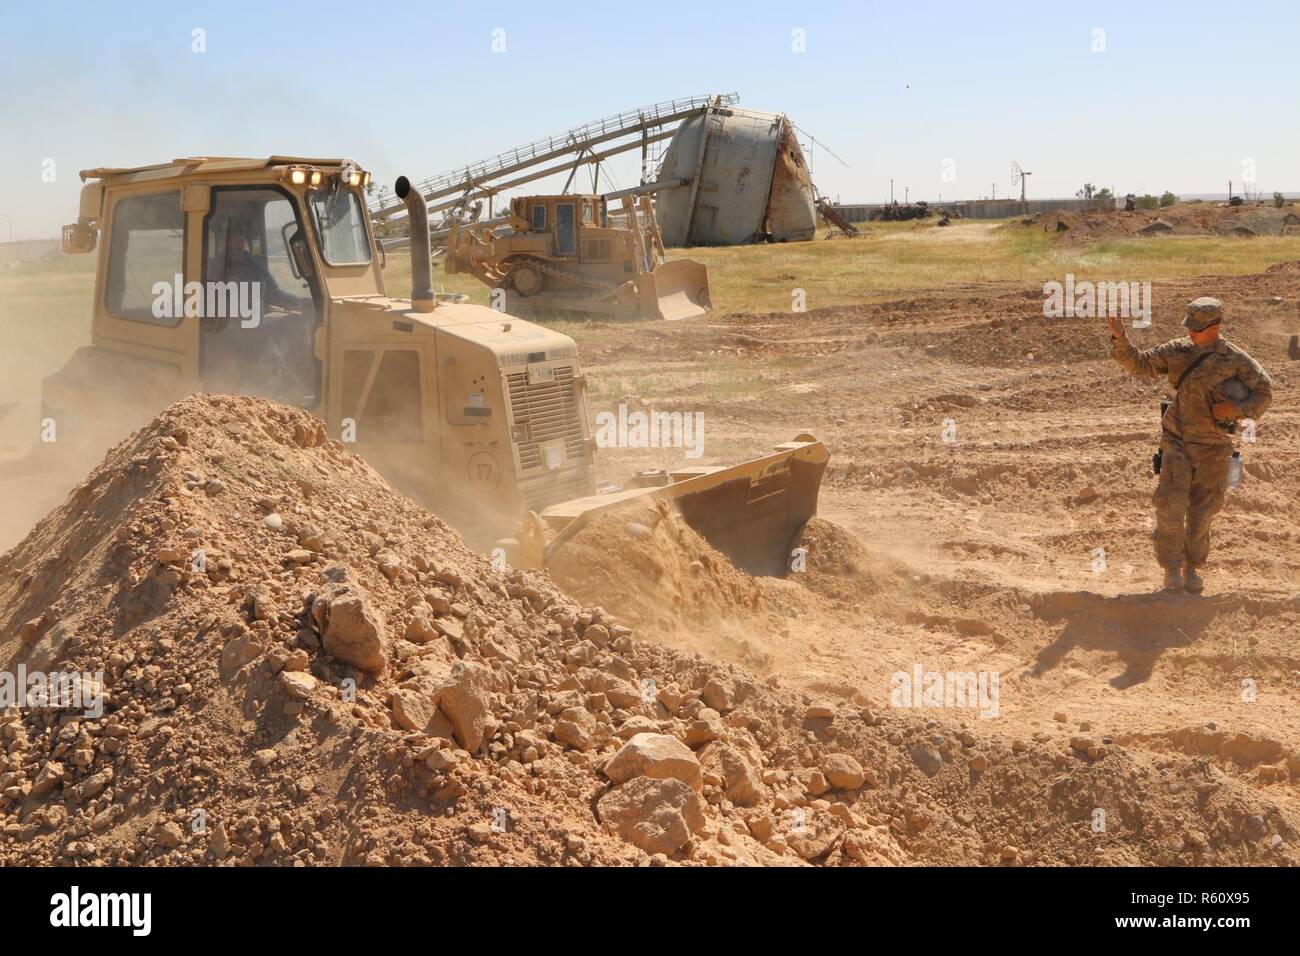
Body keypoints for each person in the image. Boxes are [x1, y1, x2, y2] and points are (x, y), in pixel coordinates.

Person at [1108, 297, 1271, 592]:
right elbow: (1139, 363)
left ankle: (1192, 568)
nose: (1192, 332)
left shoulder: (1235, 360)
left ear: (1215, 326)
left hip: (1214, 448)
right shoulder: (1178, 351)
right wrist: (1120, 336)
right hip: (1178, 442)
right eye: (1190, 326)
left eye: (1198, 328)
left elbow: (1264, 393)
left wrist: (1235, 411)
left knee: (1202, 512)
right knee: (1171, 505)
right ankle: (1171, 568)